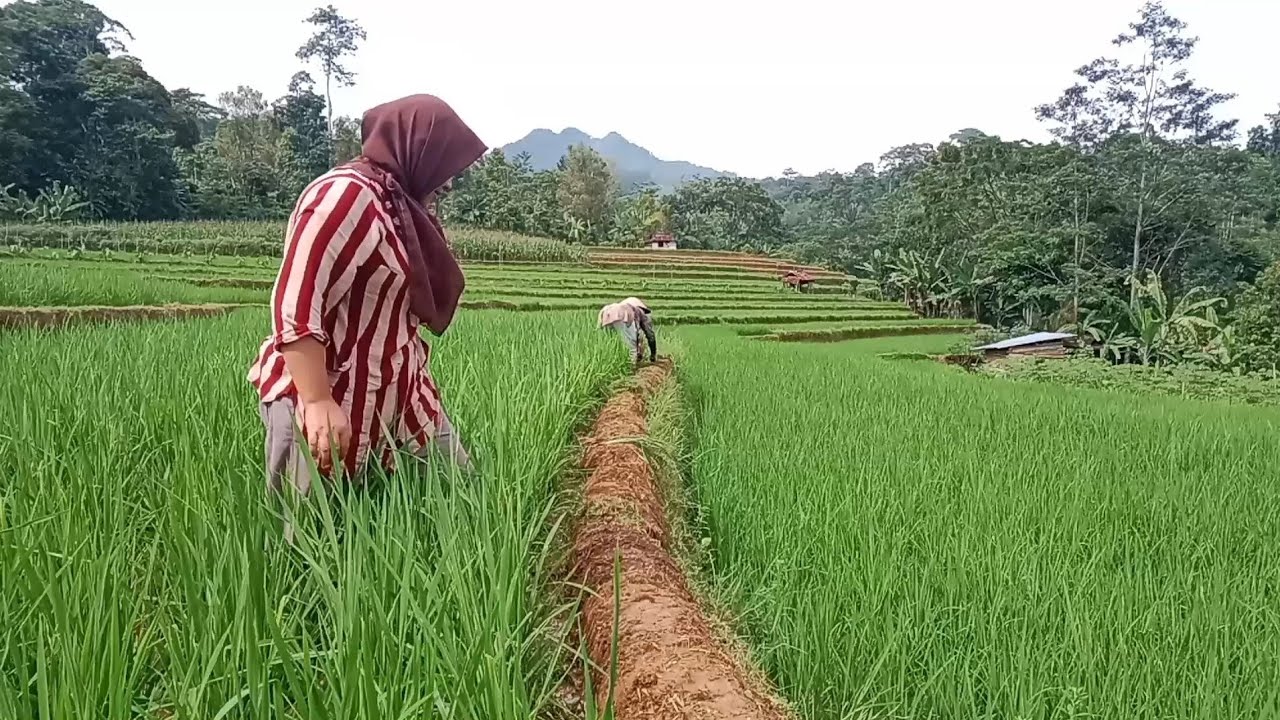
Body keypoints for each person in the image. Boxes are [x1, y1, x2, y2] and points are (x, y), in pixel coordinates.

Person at [247, 94, 485, 499]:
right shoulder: (346, 196)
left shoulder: (402, 206)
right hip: (323, 394)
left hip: (399, 392)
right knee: (310, 528)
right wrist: (317, 400)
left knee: (466, 497)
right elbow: (296, 302)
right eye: (445, 166)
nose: (447, 183)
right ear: (417, 150)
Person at [598, 296, 657, 366]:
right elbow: (650, 335)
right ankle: (632, 366)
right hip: (621, 315)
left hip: (605, 313)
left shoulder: (619, 306)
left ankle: (610, 364)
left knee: (611, 343)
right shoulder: (639, 311)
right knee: (632, 347)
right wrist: (653, 355)